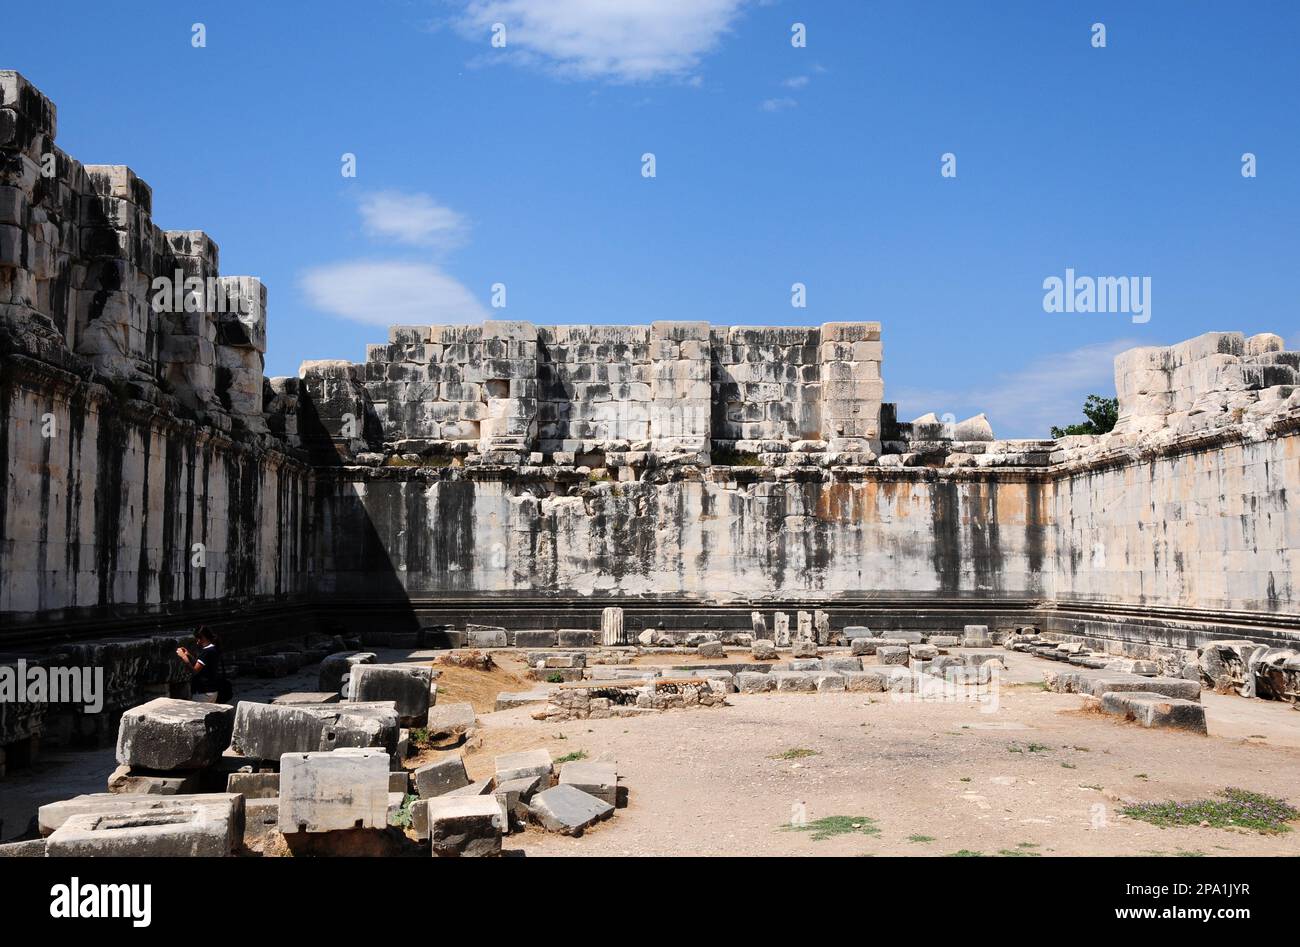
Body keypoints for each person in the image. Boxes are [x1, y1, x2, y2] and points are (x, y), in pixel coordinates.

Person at [176, 626, 229, 703]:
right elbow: (203, 666)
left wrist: (183, 657)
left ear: (203, 637)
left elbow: (194, 671)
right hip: (212, 691)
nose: (197, 642)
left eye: (198, 639)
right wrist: (189, 655)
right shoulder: (214, 649)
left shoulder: (206, 652)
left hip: (204, 692)